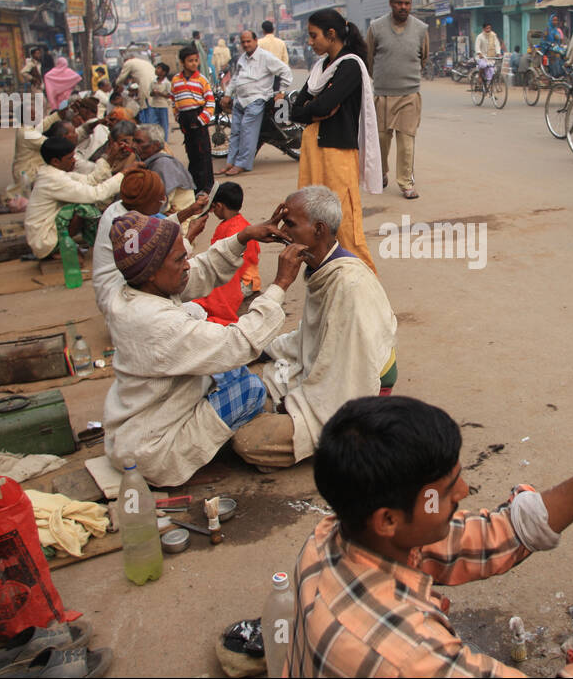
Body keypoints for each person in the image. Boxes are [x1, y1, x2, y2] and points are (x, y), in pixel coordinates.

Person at [287, 394, 573, 677]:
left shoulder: (338, 534)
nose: (464, 493)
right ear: (388, 520)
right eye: (448, 490)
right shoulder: (406, 657)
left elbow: (500, 534)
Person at [100, 210, 308, 486]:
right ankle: (189, 463)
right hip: (152, 452)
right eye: (178, 260)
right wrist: (280, 285)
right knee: (250, 390)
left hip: (131, 430)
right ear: (152, 274)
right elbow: (238, 344)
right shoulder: (154, 323)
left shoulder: (135, 285)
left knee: (218, 350)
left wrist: (243, 237)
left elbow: (201, 270)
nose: (187, 265)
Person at [230, 186, 394, 471]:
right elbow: (311, 335)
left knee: (246, 440)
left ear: (318, 229)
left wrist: (292, 402)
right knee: (242, 388)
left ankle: (343, 439)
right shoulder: (322, 267)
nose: (282, 232)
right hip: (324, 375)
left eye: (290, 224)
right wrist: (261, 349)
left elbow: (345, 372)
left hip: (352, 391)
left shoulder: (350, 284)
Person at [289, 11, 380, 273]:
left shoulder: (350, 65)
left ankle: (363, 278)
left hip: (337, 152)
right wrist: (315, 109)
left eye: (313, 35)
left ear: (331, 35)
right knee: (311, 216)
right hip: (312, 150)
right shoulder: (321, 69)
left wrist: (315, 107)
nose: (310, 41)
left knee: (344, 221)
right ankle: (325, 272)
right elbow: (296, 109)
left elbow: (326, 104)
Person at [91, 167, 209, 312]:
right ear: (146, 202)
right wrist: (190, 236)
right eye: (160, 198)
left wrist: (190, 210)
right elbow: (157, 258)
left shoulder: (121, 209)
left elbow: (159, 229)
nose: (163, 202)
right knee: (193, 308)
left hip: (117, 291)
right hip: (118, 298)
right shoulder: (127, 228)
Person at [365, 0, 428, 199]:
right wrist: (382, 80)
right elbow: (369, 58)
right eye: (399, 3)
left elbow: (424, 57)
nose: (403, 7)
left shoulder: (421, 29)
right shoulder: (376, 27)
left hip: (409, 95)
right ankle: (381, 173)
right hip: (382, 94)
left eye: (407, 3)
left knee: (406, 141)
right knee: (381, 140)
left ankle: (405, 183)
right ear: (391, 3)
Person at [23, 136, 128, 260]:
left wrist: (109, 157)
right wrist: (123, 175)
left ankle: (70, 245)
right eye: (69, 158)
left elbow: (91, 180)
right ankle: (66, 247)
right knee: (85, 207)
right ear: (56, 161)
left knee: (84, 202)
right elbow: (95, 194)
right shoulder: (53, 179)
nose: (74, 161)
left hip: (43, 234)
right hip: (44, 240)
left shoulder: (54, 173)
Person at [220, 30, 292, 177]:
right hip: (240, 100)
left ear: (255, 41)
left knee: (247, 131)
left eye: (249, 41)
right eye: (243, 42)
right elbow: (235, 78)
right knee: (235, 132)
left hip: (256, 100)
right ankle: (230, 162)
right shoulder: (242, 59)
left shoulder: (265, 57)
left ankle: (242, 164)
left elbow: (285, 71)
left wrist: (282, 91)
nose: (246, 44)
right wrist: (227, 94)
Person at [191, 181, 262, 325]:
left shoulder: (235, 229)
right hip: (239, 273)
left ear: (219, 206)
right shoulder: (235, 223)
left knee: (208, 293)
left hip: (244, 280)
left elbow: (235, 267)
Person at [171, 45, 218, 195]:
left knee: (203, 152)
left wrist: (201, 119)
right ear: (182, 62)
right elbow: (174, 101)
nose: (194, 63)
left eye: (196, 60)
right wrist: (178, 116)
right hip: (185, 118)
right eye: (190, 60)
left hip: (198, 117)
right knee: (191, 153)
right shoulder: (176, 80)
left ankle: (207, 185)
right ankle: (195, 185)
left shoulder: (201, 80)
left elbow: (210, 102)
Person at [131, 123, 196, 213]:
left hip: (181, 221)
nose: (133, 146)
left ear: (156, 145)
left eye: (139, 142)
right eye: (133, 141)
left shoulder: (162, 164)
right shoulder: (149, 161)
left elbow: (160, 206)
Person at [140, 63, 173, 138]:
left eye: (158, 68)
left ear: (164, 72)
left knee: (164, 125)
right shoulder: (153, 82)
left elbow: (170, 95)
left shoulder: (167, 83)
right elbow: (150, 93)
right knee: (152, 124)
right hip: (154, 105)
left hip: (163, 106)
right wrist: (154, 93)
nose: (156, 70)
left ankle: (164, 141)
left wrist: (160, 94)